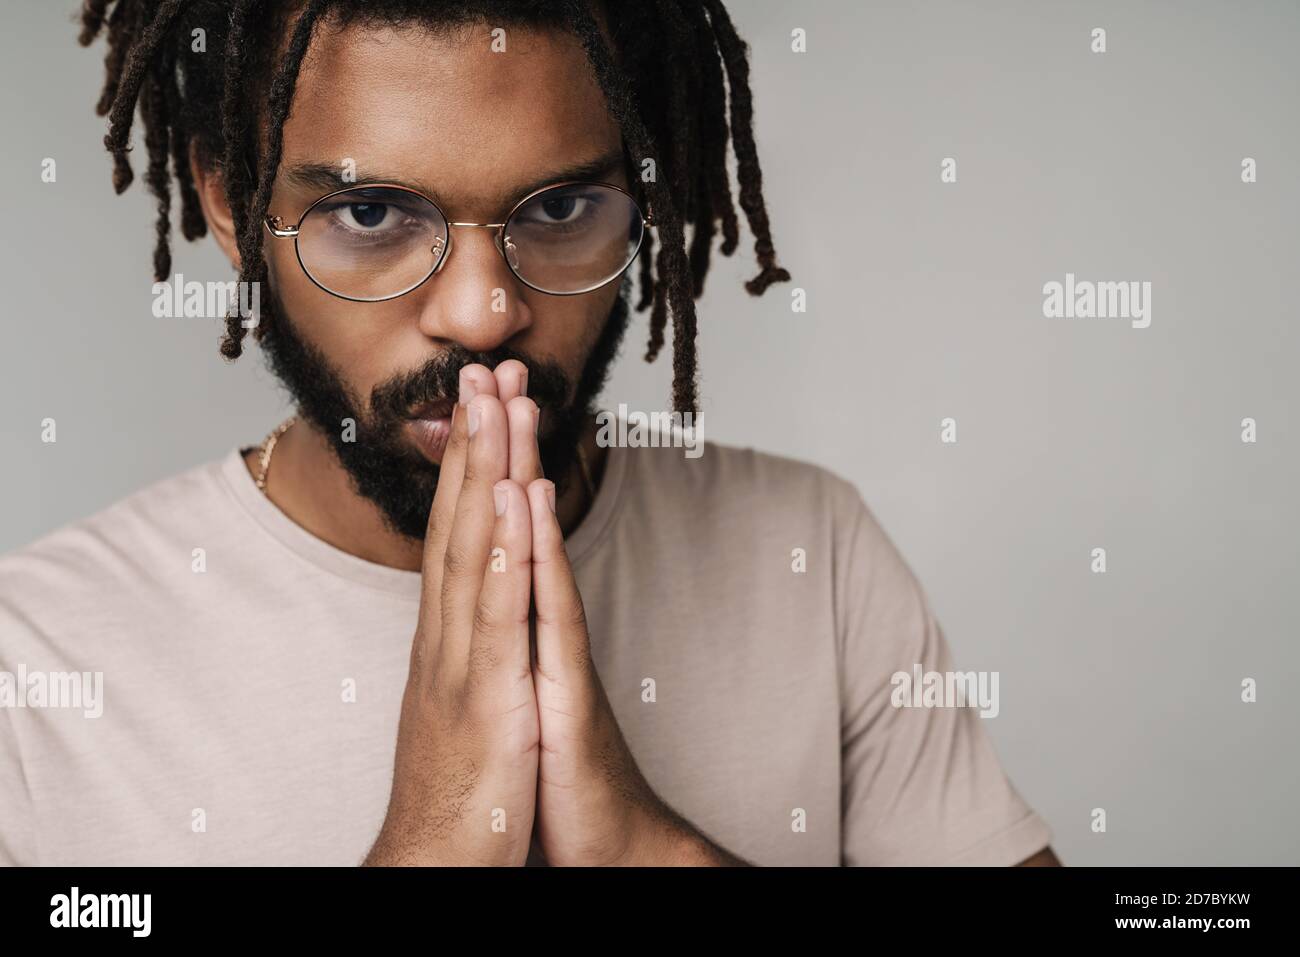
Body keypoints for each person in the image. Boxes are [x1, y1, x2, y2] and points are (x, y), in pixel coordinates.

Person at [0, 0, 1058, 866]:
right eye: (371, 216)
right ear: (233, 208)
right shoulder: (34, 666)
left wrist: (644, 852)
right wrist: (436, 840)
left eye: (556, 210)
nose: (481, 312)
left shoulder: (807, 547)